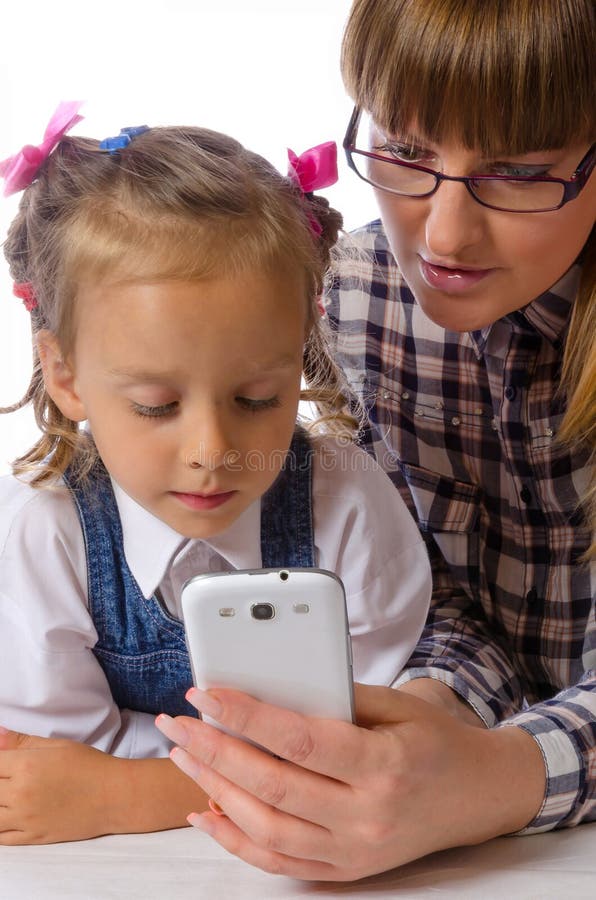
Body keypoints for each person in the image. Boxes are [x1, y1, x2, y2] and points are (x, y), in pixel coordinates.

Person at [155, 0, 596, 882]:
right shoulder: (354, 298)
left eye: (517, 171)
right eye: (404, 151)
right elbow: (444, 593)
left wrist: (500, 777)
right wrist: (429, 717)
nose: (443, 236)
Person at [0, 104, 432, 844]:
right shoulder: (44, 531)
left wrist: (133, 795)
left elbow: (372, 750)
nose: (211, 448)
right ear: (66, 375)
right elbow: (52, 762)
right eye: (156, 405)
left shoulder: (344, 500)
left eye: (257, 398)